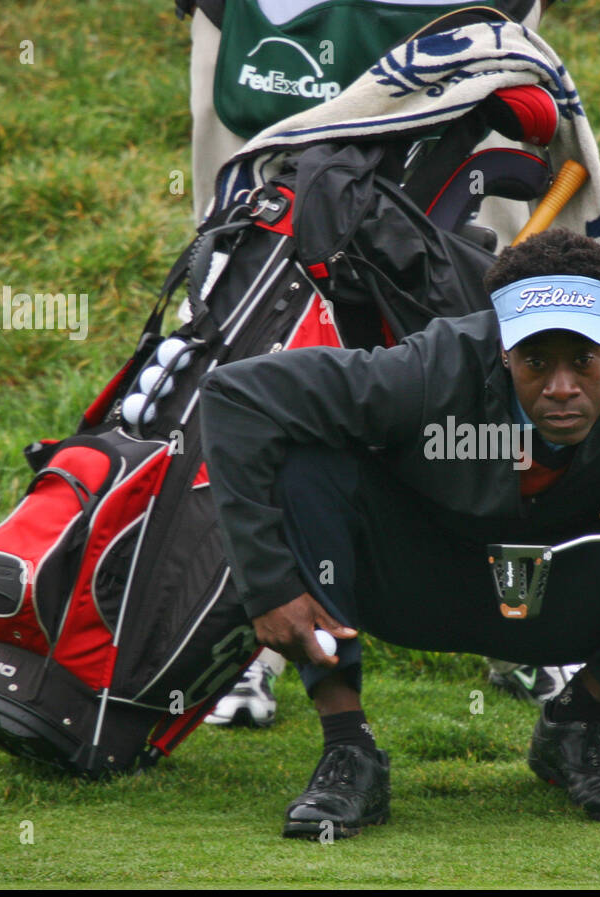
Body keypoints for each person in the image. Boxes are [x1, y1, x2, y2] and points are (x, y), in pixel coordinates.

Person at [198, 229, 600, 836]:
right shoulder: (433, 364)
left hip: (572, 593)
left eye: (583, 360)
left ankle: (578, 725)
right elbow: (236, 395)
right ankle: (347, 749)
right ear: (504, 351)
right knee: (310, 468)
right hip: (422, 587)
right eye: (537, 361)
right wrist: (270, 586)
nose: (562, 386)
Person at [178, 0, 573, 727]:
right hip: (266, 31)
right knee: (246, 324)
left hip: (454, 37)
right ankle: (241, 643)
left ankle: (524, 625)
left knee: (493, 343)